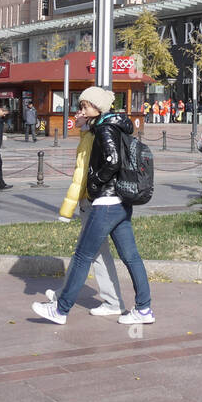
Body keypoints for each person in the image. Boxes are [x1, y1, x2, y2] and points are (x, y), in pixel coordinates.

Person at [33, 85, 153, 326]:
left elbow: (112, 160)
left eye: (85, 105)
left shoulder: (105, 128)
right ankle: (144, 309)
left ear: (97, 107)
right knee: (131, 257)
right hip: (121, 202)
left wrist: (95, 180)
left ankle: (61, 309)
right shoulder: (115, 124)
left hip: (106, 203)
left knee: (82, 256)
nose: (82, 108)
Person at [51, 90, 124, 318]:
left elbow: (84, 173)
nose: (79, 112)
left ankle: (110, 302)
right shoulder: (90, 133)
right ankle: (67, 294)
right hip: (95, 201)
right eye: (79, 107)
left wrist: (79, 200)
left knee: (92, 253)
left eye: (84, 107)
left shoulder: (96, 134)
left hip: (94, 202)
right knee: (91, 252)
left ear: (97, 109)